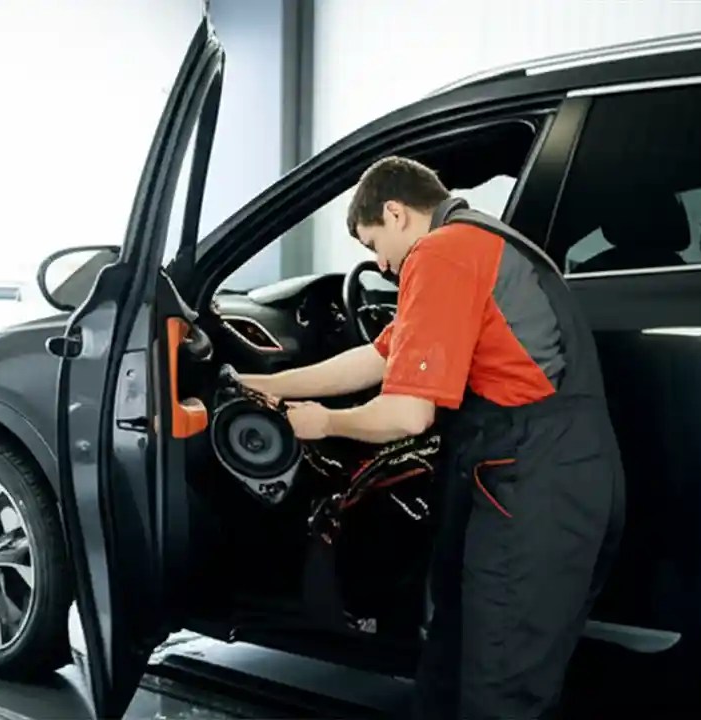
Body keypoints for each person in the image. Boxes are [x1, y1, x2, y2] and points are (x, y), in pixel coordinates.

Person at [237, 156, 626, 719]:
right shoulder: (480, 244)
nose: (381, 264)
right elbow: (375, 358)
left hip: (535, 482)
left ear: (396, 213)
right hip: (556, 472)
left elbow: (407, 414)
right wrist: (267, 384)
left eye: (375, 244)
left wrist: (326, 423)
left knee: (499, 688)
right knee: (457, 655)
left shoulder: (440, 254)